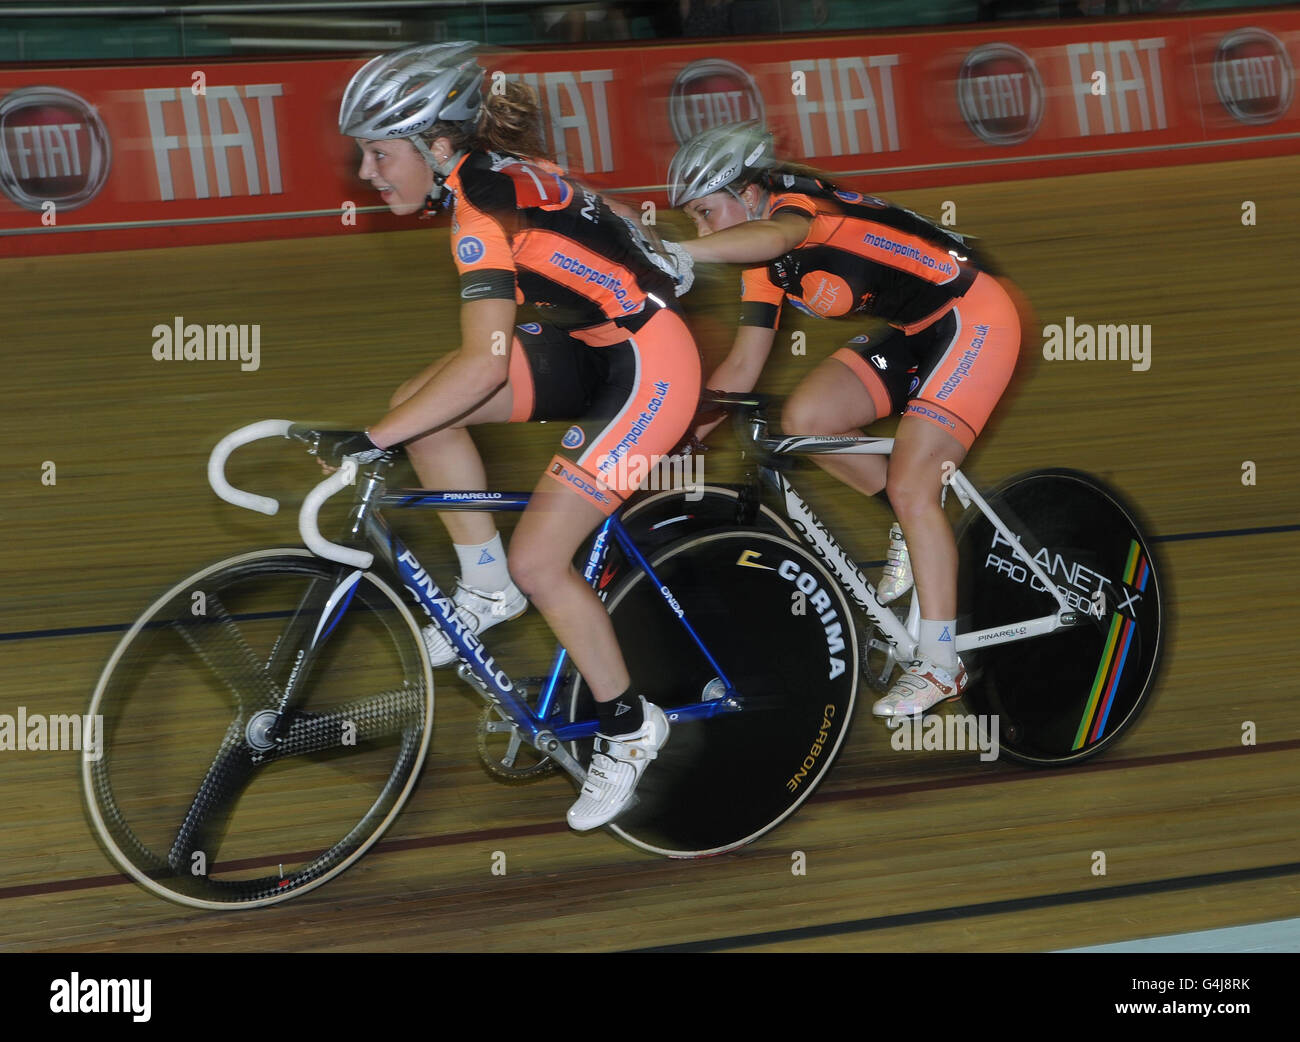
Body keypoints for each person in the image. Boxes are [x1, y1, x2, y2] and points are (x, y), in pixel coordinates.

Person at [336, 42, 702, 829]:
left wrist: (366, 441)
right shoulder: (487, 169)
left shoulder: (480, 204)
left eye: (377, 154)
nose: (366, 174)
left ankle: (632, 725)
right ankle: (482, 583)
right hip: (592, 340)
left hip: (649, 366)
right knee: (421, 401)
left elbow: (482, 364)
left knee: (542, 556)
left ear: (436, 146)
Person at [666, 121, 1022, 718]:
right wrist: (686, 434)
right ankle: (912, 520)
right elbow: (745, 364)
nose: (701, 229)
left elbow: (773, 238)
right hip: (920, 330)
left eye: (705, 213)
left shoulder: (801, 213)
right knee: (807, 418)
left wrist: (680, 254)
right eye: (692, 223)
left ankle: (940, 663)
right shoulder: (766, 260)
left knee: (914, 481)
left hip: (977, 317)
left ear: (748, 192)